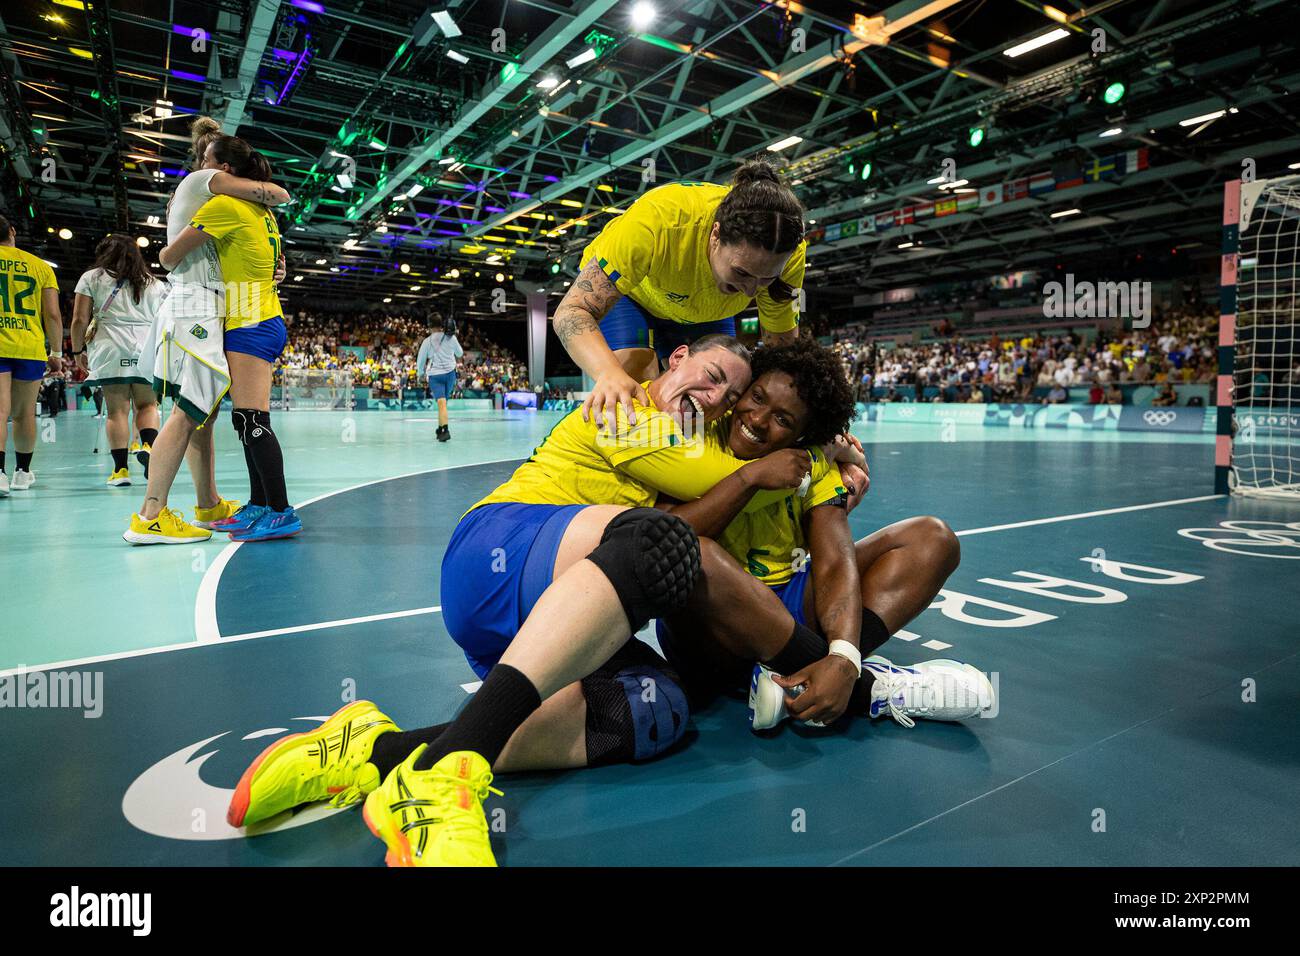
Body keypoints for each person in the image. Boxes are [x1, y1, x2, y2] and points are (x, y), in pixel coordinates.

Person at [124, 120, 291, 544]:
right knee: (190, 414)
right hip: (200, 309)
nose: (200, 165)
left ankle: (208, 503)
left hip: (215, 310)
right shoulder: (210, 187)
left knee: (203, 414)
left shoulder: (230, 204)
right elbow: (277, 194)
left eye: (206, 158)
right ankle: (151, 515)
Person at [556, 160, 805, 431]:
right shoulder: (657, 221)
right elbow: (571, 313)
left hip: (703, 308)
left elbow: (783, 354)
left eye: (765, 280)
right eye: (742, 273)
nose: (750, 291)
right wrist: (609, 374)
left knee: (725, 390)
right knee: (634, 381)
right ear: (715, 234)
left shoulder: (789, 253)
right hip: (633, 295)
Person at [69, 234, 166, 487]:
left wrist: (78, 350)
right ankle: (149, 446)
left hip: (110, 347)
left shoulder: (92, 278)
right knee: (147, 406)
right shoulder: (155, 283)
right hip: (147, 347)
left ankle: (121, 471)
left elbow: (79, 319)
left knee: (116, 411)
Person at [0, 212, 63, 497]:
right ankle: (22, 474)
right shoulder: (40, 267)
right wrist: (57, 352)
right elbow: (51, 313)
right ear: (12, 230)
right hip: (29, 346)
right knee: (24, 414)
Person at [415, 311, 462, 442]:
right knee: (443, 404)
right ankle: (440, 428)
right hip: (450, 374)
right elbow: (460, 353)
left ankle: (445, 430)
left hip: (435, 376)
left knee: (441, 404)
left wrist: (420, 374)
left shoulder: (427, 341)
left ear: (429, 325)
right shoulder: (451, 338)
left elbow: (420, 360)